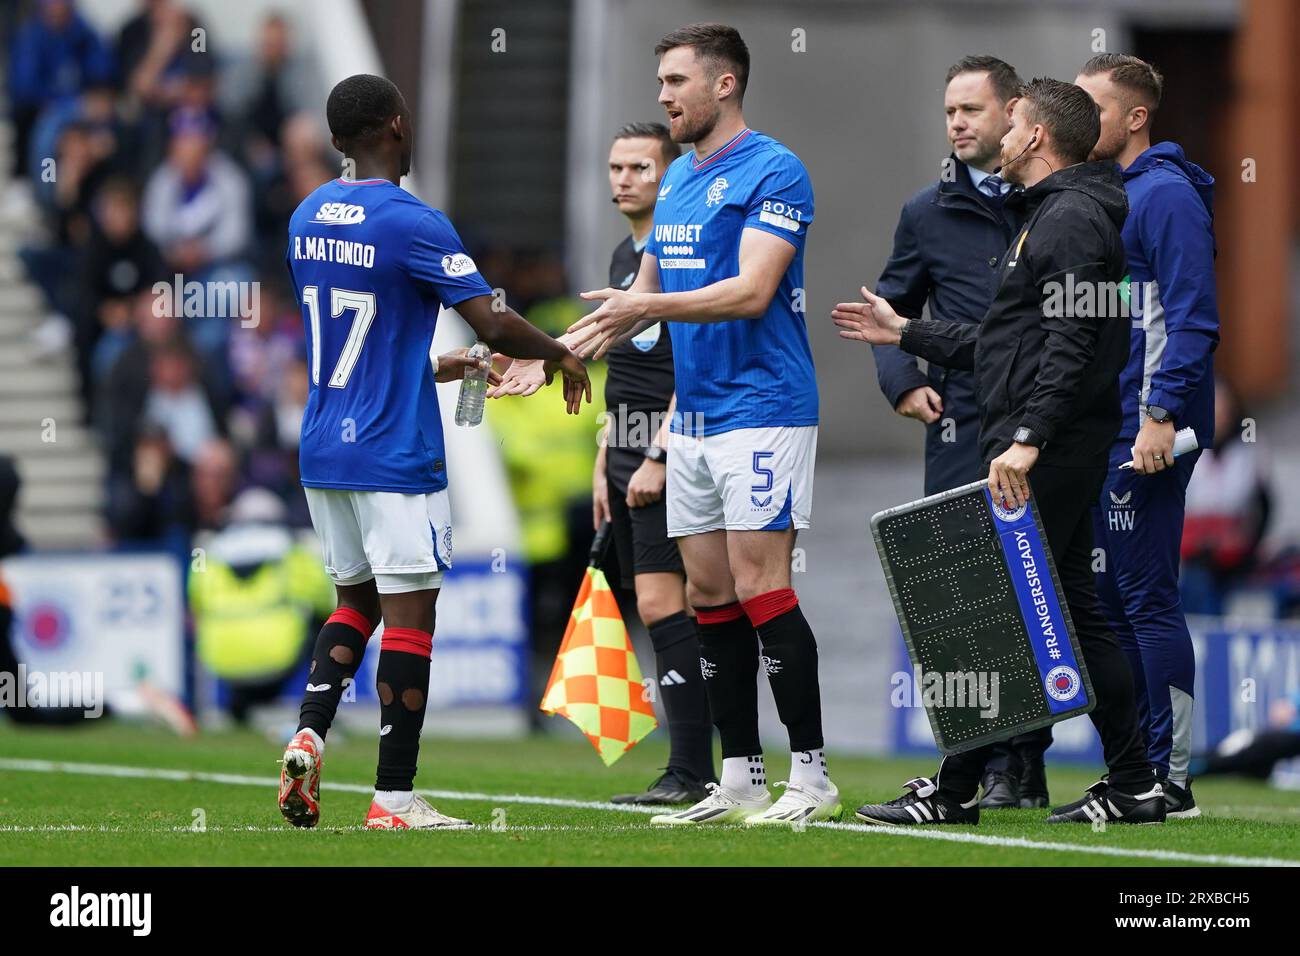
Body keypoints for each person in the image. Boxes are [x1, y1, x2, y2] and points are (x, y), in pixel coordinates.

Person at [835, 77, 1165, 825]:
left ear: (1036, 136)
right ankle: (1134, 781)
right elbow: (1006, 342)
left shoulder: (1071, 219)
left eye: (1010, 122)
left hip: (1050, 447)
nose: (1000, 136)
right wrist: (907, 332)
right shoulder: (1050, 218)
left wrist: (1028, 440)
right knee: (1074, 612)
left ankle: (951, 793)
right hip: (1051, 443)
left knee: (992, 609)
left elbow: (1076, 347)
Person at [278, 73, 589, 830]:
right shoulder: (414, 221)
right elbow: (493, 322)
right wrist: (559, 353)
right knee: (411, 618)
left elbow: (357, 345)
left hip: (325, 448)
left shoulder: (307, 214)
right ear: (393, 126)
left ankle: (310, 733)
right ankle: (392, 798)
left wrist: (446, 367)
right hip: (393, 453)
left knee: (354, 602)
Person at [562, 23, 841, 826]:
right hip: (697, 416)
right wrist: (543, 357)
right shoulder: (680, 177)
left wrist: (644, 304)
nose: (663, 95)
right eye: (660, 82)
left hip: (764, 407)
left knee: (761, 586)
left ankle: (812, 774)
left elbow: (752, 290)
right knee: (710, 595)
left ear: (724, 84)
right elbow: (634, 311)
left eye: (677, 81)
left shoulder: (776, 169)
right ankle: (742, 776)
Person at [871, 54, 1052, 810]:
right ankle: (971, 765)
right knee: (955, 598)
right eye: (949, 111)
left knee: (1031, 594)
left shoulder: (1052, 200)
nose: (956, 123)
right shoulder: (926, 211)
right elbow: (887, 310)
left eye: (971, 110)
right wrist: (904, 382)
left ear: (1013, 113)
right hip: (959, 428)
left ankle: (1022, 768)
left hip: (1039, 429)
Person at [1075, 53, 1220, 819]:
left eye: (1090, 106)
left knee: (1144, 599)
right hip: (1109, 433)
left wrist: (1161, 416)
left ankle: (1171, 781)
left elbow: (1193, 318)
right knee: (1106, 599)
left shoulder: (1164, 197)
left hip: (1148, 435)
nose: (1074, 119)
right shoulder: (1110, 195)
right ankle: (1133, 772)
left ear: (1135, 116)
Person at [599, 122, 715, 803]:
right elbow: (622, 367)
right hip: (623, 450)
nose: (623, 179)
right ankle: (692, 768)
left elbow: (693, 366)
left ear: (669, 177)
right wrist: (603, 455)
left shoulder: (682, 252)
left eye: (639, 167)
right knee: (657, 603)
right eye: (615, 167)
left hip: (668, 451)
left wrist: (658, 454)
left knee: (675, 601)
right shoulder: (625, 252)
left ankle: (696, 768)